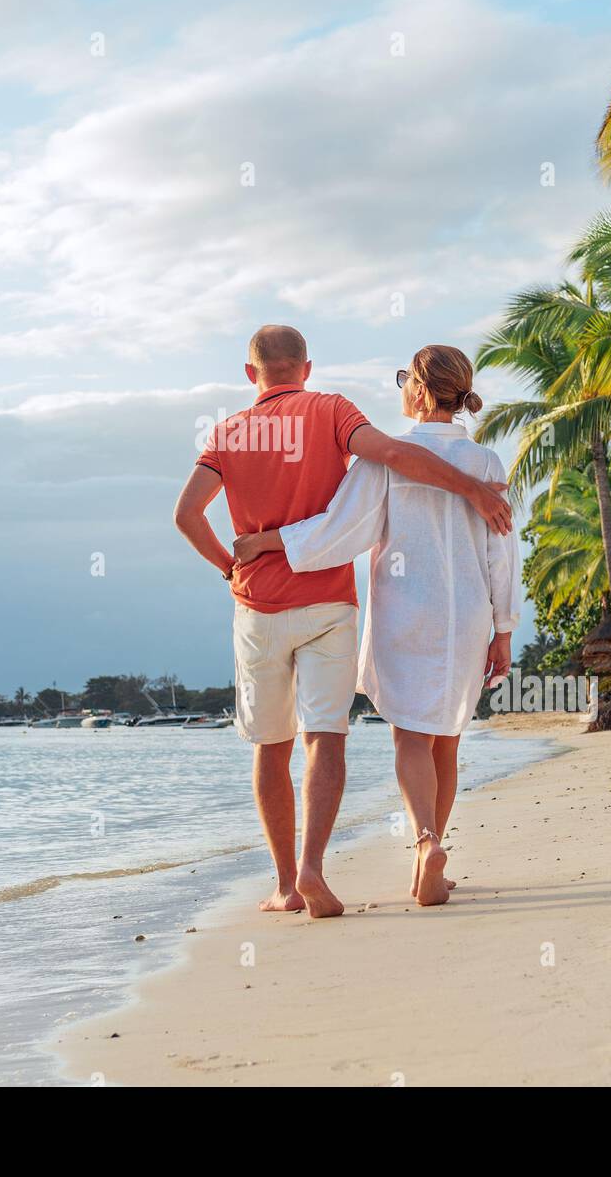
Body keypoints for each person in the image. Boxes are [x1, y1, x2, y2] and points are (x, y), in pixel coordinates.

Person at [174, 326, 511, 918]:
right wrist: (503, 625)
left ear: (251, 373)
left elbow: (339, 529)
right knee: (417, 738)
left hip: (356, 610)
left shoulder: (231, 433)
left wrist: (252, 552)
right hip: (430, 612)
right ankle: (408, 856)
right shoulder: (478, 458)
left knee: (356, 739)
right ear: (306, 366)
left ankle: (321, 871)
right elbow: (498, 550)